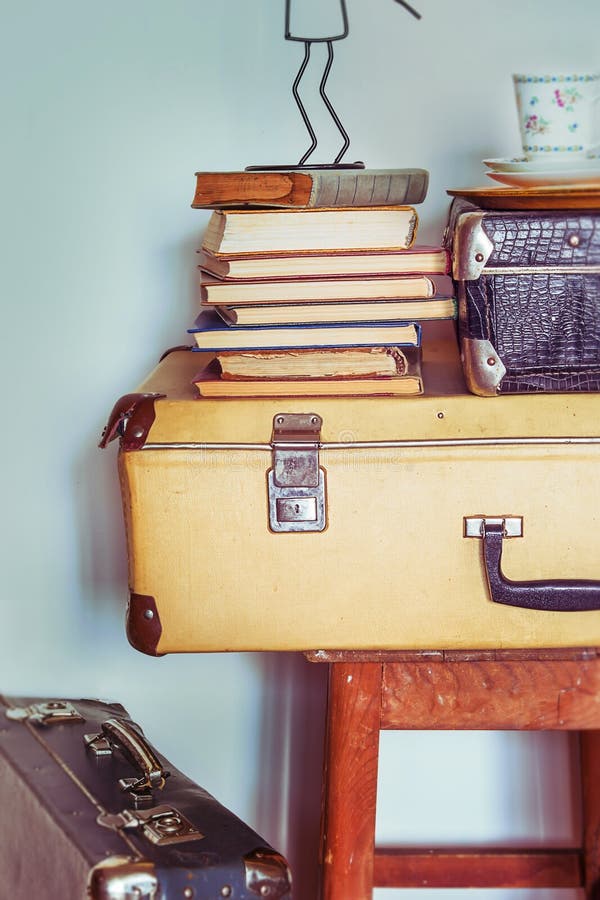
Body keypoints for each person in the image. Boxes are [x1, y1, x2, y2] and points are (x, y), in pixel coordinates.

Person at [285, 0, 421, 166]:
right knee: (305, 89)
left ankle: (329, 143)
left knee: (312, 89)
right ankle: (321, 143)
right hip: (317, 30)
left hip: (322, 30)